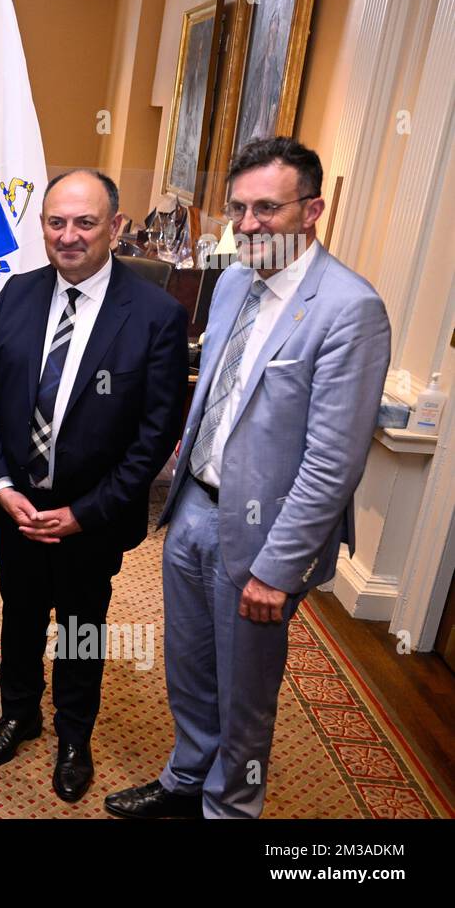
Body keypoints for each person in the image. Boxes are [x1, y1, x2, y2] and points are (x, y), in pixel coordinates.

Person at [105, 138, 392, 819]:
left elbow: (332, 461)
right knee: (191, 670)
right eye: (239, 208)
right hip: (194, 510)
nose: (249, 224)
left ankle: (229, 809)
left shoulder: (350, 309)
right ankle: (184, 779)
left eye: (268, 208)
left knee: (246, 692)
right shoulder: (233, 279)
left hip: (265, 536)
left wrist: (279, 569)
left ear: (313, 210)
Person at [0, 169, 189, 802]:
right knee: (22, 613)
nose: (68, 236)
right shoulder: (14, 295)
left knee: (81, 626)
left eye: (85, 223)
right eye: (55, 222)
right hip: (15, 504)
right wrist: (2, 486)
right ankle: (18, 714)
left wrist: (85, 513)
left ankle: (73, 735)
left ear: (115, 228)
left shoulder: (157, 317)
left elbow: (155, 436)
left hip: (93, 515)